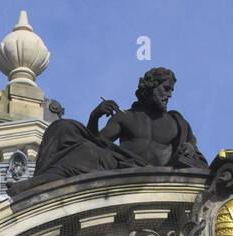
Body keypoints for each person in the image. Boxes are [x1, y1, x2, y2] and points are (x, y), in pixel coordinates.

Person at [11, 67, 206, 192]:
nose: (169, 95)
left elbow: (192, 150)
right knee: (64, 128)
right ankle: (42, 181)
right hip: (123, 165)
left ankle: (43, 183)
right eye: (165, 88)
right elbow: (96, 142)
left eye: (171, 90)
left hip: (159, 175)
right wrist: (95, 116)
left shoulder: (175, 121)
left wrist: (190, 147)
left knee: (84, 152)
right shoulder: (126, 117)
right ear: (150, 88)